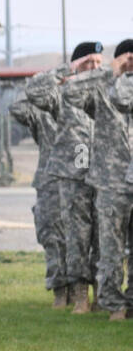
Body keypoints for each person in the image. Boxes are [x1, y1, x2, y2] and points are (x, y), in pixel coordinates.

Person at [26, 43, 102, 312]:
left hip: (105, 179)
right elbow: (33, 92)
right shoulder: (63, 96)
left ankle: (103, 296)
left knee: (103, 240)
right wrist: (64, 71)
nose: (93, 68)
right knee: (77, 238)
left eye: (97, 63)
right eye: (87, 63)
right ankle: (78, 294)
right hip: (72, 180)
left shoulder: (106, 94)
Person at [75, 39, 133, 319]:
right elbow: (68, 93)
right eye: (127, 57)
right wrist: (110, 71)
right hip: (112, 184)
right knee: (110, 249)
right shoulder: (102, 88)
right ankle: (114, 304)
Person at [9, 94, 66, 305]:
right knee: (52, 237)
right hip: (50, 182)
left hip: (84, 182)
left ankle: (85, 293)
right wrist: (52, 80)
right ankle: (59, 290)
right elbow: (16, 107)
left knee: (84, 239)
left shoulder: (93, 104)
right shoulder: (44, 113)